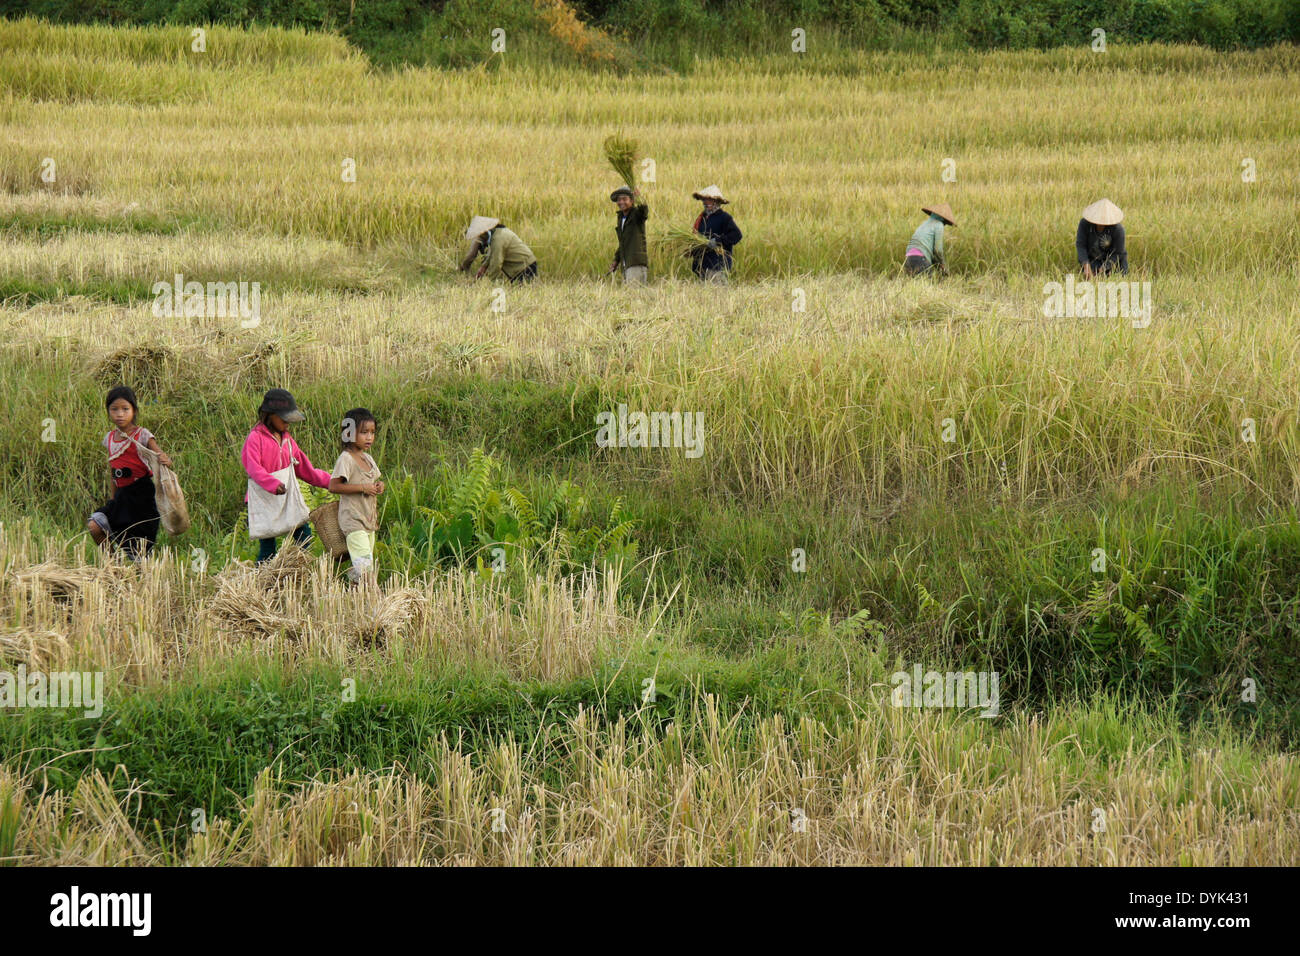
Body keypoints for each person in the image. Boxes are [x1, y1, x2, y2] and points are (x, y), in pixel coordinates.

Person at [241, 388, 332, 563]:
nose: (288, 423)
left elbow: (306, 470)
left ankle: (297, 570)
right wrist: (272, 484)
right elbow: (253, 468)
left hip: (286, 496)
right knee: (268, 547)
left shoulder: (288, 441)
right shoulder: (255, 438)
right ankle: (264, 581)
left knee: (304, 534)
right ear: (269, 415)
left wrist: (331, 482)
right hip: (264, 498)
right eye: (284, 419)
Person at [87, 385, 173, 559]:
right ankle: (113, 566)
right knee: (95, 526)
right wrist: (113, 498)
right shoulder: (109, 438)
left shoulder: (142, 435)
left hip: (142, 497)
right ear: (108, 411)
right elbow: (113, 471)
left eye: (125, 409)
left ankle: (142, 578)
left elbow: (159, 455)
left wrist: (166, 459)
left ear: (134, 410)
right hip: (121, 497)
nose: (120, 414)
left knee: (139, 550)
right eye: (115, 409)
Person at [328, 408, 384, 586]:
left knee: (361, 568)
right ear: (349, 433)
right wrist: (362, 488)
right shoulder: (346, 459)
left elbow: (374, 481)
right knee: (366, 570)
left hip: (369, 520)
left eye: (372, 432)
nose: (369, 437)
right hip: (353, 521)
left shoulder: (367, 458)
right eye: (364, 432)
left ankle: (353, 596)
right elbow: (334, 486)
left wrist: (378, 486)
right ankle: (376, 603)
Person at [459, 216, 538, 283]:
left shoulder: (498, 239)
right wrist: (484, 267)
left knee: (523, 292)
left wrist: (488, 283)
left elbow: (496, 263)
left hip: (525, 267)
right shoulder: (497, 233)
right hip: (523, 265)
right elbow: (492, 253)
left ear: (484, 233)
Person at [689, 185, 742, 283]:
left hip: (717, 266)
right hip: (702, 267)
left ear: (716, 202)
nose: (705, 202)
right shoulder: (702, 218)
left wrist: (717, 241)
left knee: (718, 295)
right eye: (704, 199)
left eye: (709, 199)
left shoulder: (724, 218)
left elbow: (737, 235)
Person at [607, 186, 649, 285]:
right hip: (626, 264)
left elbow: (644, 211)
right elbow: (623, 242)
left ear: (632, 201)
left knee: (635, 296)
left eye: (624, 199)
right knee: (629, 296)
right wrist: (616, 261)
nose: (621, 202)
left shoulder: (636, 215)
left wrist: (640, 199)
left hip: (636, 263)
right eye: (619, 200)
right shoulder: (621, 218)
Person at [1077, 199, 1127, 277]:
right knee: (1091, 275)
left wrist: (1104, 268)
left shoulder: (1118, 229)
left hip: (1114, 260)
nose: (1100, 224)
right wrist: (1086, 266)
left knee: (1117, 278)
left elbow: (1118, 253)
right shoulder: (1084, 224)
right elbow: (1081, 246)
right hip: (1094, 259)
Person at [904, 204, 954, 275]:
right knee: (930, 283)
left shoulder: (924, 224)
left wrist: (939, 266)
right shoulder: (939, 225)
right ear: (944, 219)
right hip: (920, 259)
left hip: (908, 259)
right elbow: (938, 250)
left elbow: (928, 251)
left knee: (913, 284)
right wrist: (943, 264)